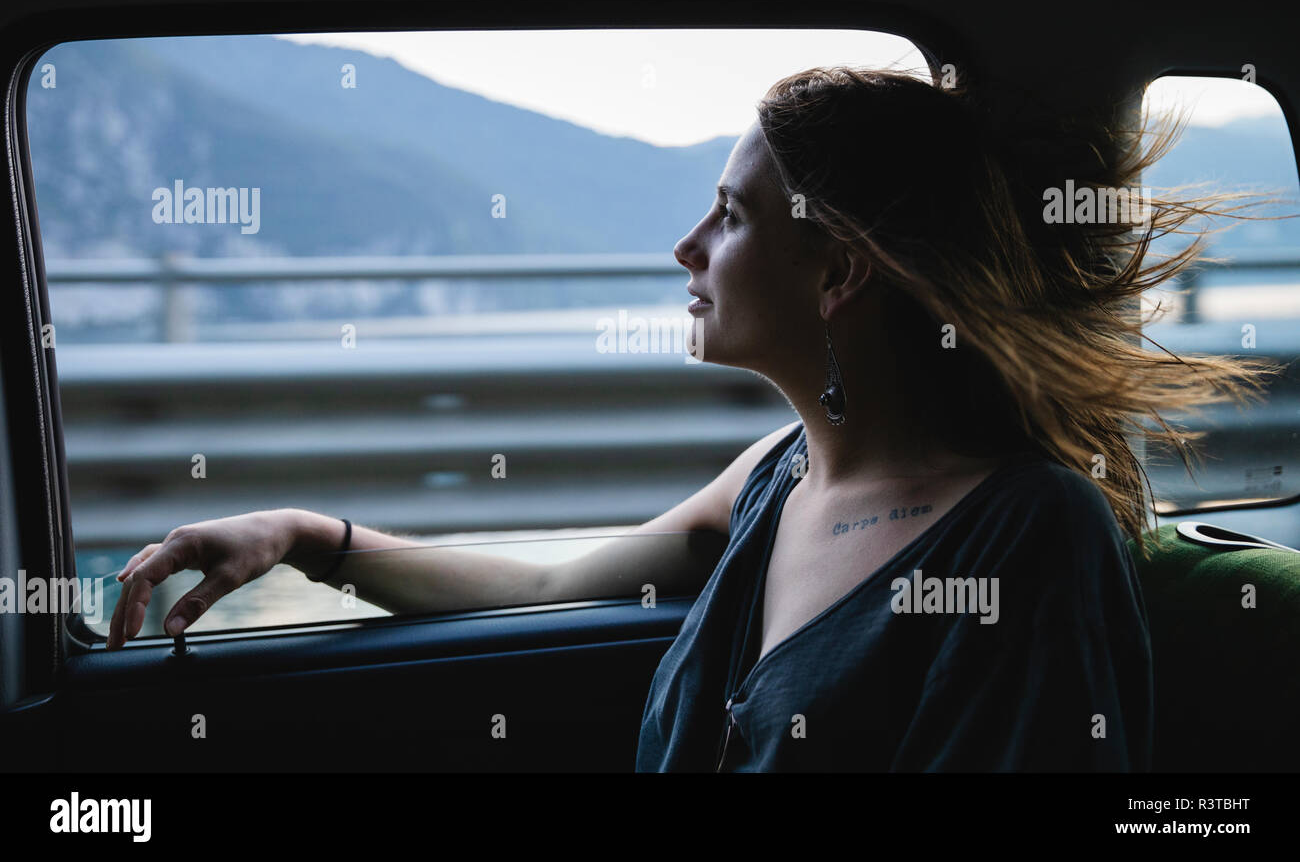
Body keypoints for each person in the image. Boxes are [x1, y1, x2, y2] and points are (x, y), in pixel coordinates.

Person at [106, 66, 1283, 771]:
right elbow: (544, 589)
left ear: (838, 276)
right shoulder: (774, 478)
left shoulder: (1030, 536)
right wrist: (311, 540)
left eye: (728, 214)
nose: (685, 247)